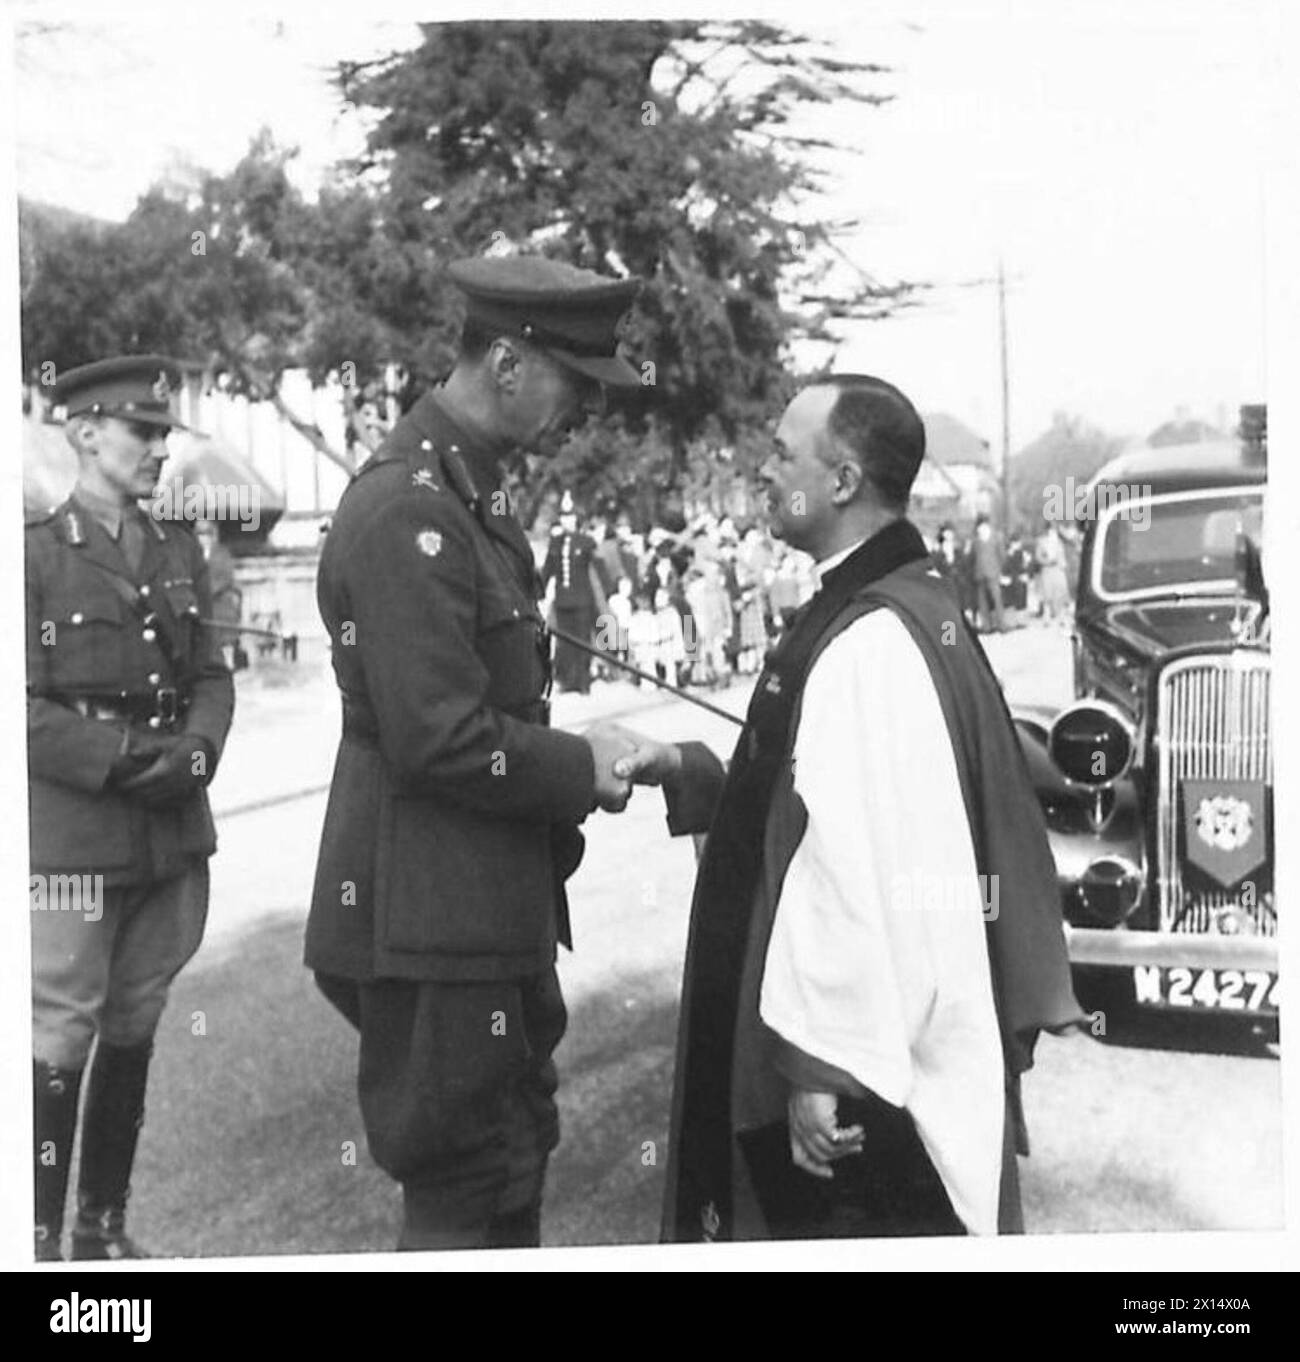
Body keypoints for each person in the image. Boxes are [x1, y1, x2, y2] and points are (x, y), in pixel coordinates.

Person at [614, 375, 1080, 1242]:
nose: (762, 469)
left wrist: (822, 1063)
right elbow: (819, 803)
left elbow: (868, 869)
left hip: (861, 1082)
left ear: (841, 481)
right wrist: (693, 773)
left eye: (782, 453)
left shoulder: (874, 639)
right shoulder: (889, 603)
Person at [304, 254, 647, 1252]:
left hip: (473, 908)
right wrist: (580, 764)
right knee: (467, 1180)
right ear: (505, 361)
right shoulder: (410, 505)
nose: (581, 408)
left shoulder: (466, 495)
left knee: (510, 1155)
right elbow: (438, 738)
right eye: (574, 382)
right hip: (428, 916)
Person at [27, 356, 235, 1260]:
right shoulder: (31, 555)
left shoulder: (180, 548)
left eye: (163, 433)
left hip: (169, 829)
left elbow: (212, 676)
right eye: (142, 431)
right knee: (60, 1026)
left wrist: (198, 748)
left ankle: (99, 1227)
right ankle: (31, 1237)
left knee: (139, 1017)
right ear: (83, 433)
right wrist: (119, 759)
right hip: (76, 832)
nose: (159, 448)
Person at [541, 491, 601, 694]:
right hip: (563, 599)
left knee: (583, 640)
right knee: (565, 642)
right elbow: (548, 570)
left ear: (577, 519)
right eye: (565, 517)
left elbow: (596, 571)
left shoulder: (586, 542)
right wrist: (538, 590)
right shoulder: (555, 543)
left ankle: (583, 680)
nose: (568, 521)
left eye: (571, 517)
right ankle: (568, 680)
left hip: (583, 599)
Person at [970, 514, 1006, 633]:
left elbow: (1002, 555)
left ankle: (1001, 625)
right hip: (979, 573)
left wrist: (1000, 570)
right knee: (982, 602)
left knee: (997, 599)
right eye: (980, 525)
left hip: (993, 572)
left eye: (984, 524)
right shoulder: (975, 540)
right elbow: (973, 557)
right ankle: (987, 626)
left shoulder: (996, 537)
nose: (982, 527)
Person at [1035, 521, 1070, 623]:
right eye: (1051, 530)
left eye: (1054, 530)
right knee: (1047, 594)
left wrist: (1063, 564)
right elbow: (1038, 557)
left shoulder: (1059, 542)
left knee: (1062, 592)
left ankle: (1062, 618)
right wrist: (1047, 562)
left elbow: (1062, 555)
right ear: (1047, 530)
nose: (1053, 532)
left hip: (1058, 570)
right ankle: (1047, 617)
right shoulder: (1041, 542)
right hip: (1047, 570)